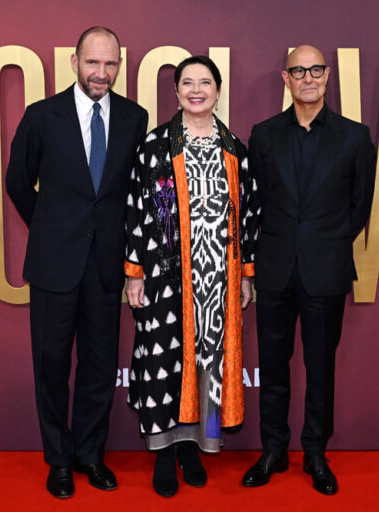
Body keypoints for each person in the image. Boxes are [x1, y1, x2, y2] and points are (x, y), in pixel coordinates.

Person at [5, 26, 148, 499]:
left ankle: (90, 454)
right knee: (50, 365)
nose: (101, 73)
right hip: (54, 264)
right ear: (74, 62)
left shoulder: (134, 117)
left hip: (106, 266)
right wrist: (48, 227)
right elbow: (18, 183)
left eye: (110, 64)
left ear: (119, 66)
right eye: (93, 63)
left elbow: (133, 193)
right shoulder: (42, 116)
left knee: (99, 364)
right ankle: (59, 460)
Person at [242, 45, 376, 495]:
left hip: (326, 269)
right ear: (286, 78)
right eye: (298, 70)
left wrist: (326, 242)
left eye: (315, 69)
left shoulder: (355, 137)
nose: (308, 77)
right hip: (275, 269)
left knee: (320, 368)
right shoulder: (262, 135)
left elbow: (360, 209)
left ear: (327, 75)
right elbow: (254, 204)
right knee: (273, 366)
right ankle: (274, 449)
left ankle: (315, 453)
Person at [123, 55, 259, 497]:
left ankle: (194, 448)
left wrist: (244, 275)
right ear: (177, 91)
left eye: (205, 82)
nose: (196, 90)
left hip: (216, 280)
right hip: (166, 280)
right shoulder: (155, 146)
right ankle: (164, 452)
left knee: (209, 365)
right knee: (164, 363)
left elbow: (248, 217)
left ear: (218, 91)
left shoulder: (235, 148)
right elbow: (138, 213)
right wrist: (135, 273)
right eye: (187, 82)